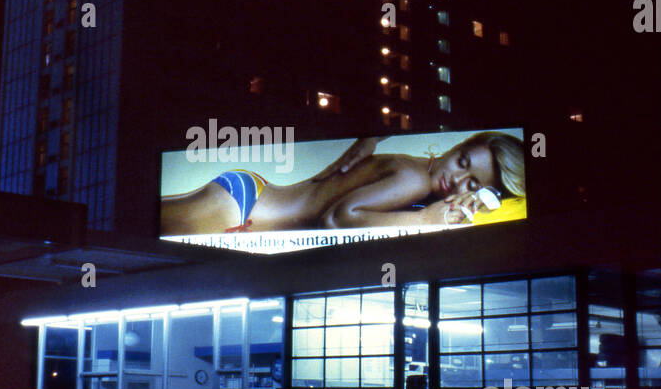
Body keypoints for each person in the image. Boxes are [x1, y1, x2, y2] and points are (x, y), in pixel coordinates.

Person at [160, 131, 526, 235]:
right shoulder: (415, 178)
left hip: (248, 196)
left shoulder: (416, 170)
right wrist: (427, 220)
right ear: (456, 146)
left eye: (472, 184)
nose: (456, 180)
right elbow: (336, 219)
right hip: (244, 207)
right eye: (463, 162)